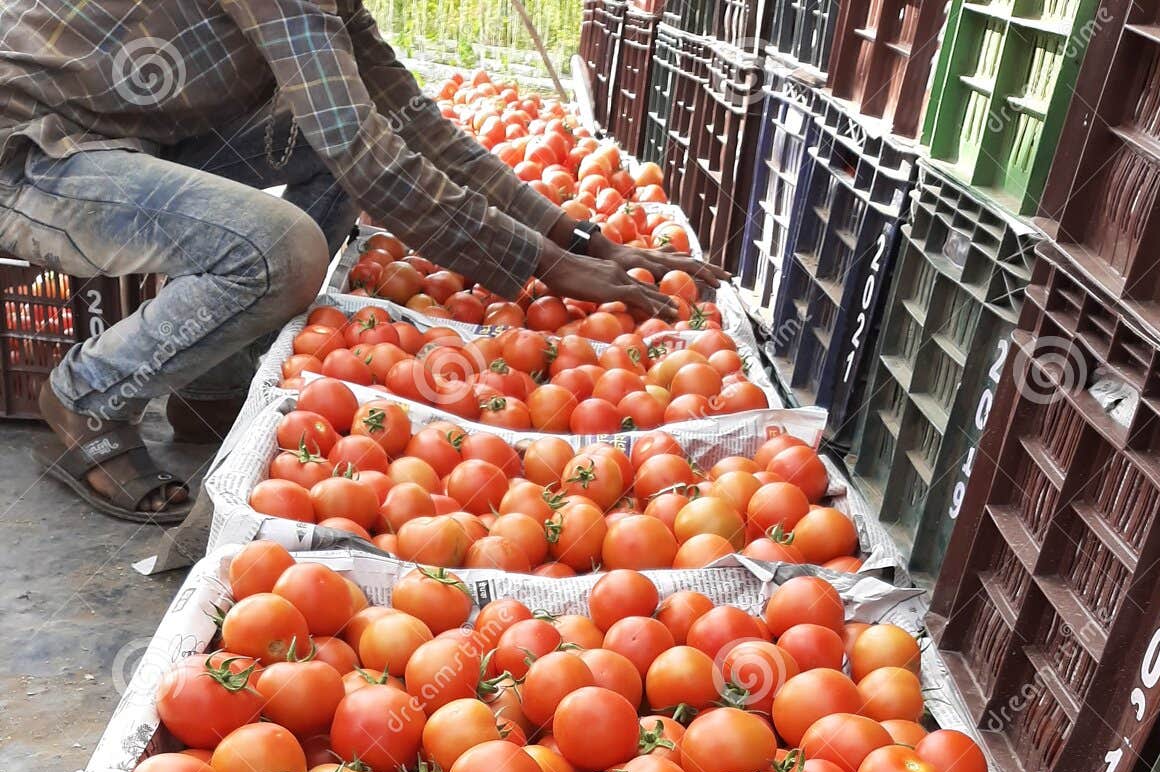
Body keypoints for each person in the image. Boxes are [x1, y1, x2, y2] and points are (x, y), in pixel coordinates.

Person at [0, 1, 719, 524]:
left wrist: (581, 239)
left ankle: (209, 379)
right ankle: (86, 397)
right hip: (35, 148)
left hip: (125, 135)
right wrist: (545, 265)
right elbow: (364, 153)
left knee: (325, 141)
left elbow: (413, 125)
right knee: (280, 248)